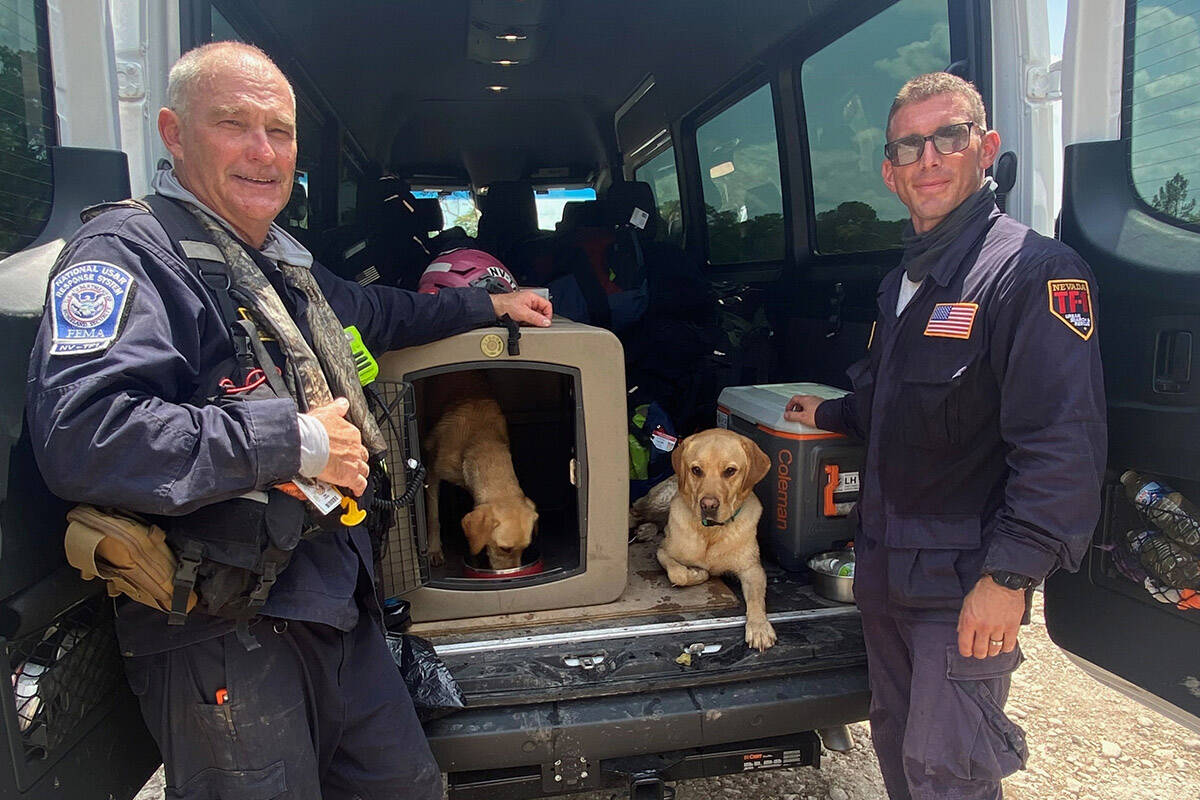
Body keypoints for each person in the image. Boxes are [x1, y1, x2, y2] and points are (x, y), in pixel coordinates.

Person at [25, 42, 551, 800]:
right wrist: (297, 441)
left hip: (335, 602)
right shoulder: (129, 255)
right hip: (222, 632)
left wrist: (488, 303)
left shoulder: (280, 261)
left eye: (279, 132)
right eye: (233, 125)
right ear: (174, 134)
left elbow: (379, 309)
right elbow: (85, 434)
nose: (262, 152)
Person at [785, 72, 1105, 799]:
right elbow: (895, 400)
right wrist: (829, 413)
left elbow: (1064, 443)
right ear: (890, 172)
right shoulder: (906, 280)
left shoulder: (1032, 273)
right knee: (899, 749)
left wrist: (1011, 577)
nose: (929, 159)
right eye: (909, 145)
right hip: (887, 573)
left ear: (985, 148)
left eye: (948, 137)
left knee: (950, 770)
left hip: (963, 586)